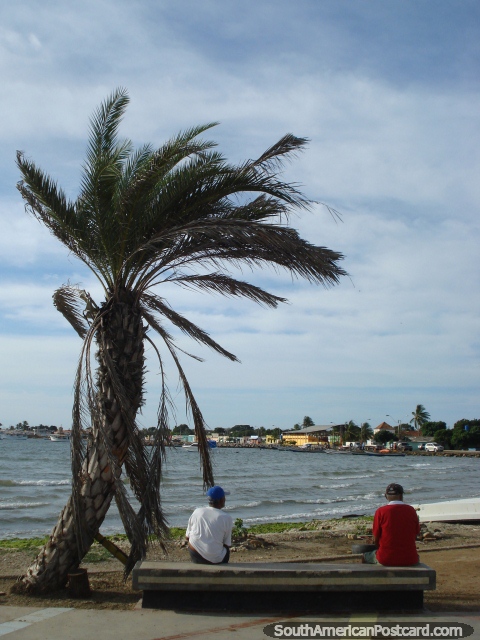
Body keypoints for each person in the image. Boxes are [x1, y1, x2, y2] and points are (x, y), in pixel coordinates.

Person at [363, 482, 420, 566]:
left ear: (386, 496)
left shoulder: (381, 511)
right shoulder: (411, 510)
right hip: (410, 558)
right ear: (401, 496)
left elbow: (376, 538)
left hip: (386, 558)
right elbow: (416, 533)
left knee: (365, 556)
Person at [186, 485, 233, 564]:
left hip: (195, 555)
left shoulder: (197, 511)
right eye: (224, 497)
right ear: (221, 500)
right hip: (216, 560)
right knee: (226, 549)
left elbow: (187, 537)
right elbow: (227, 544)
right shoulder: (226, 517)